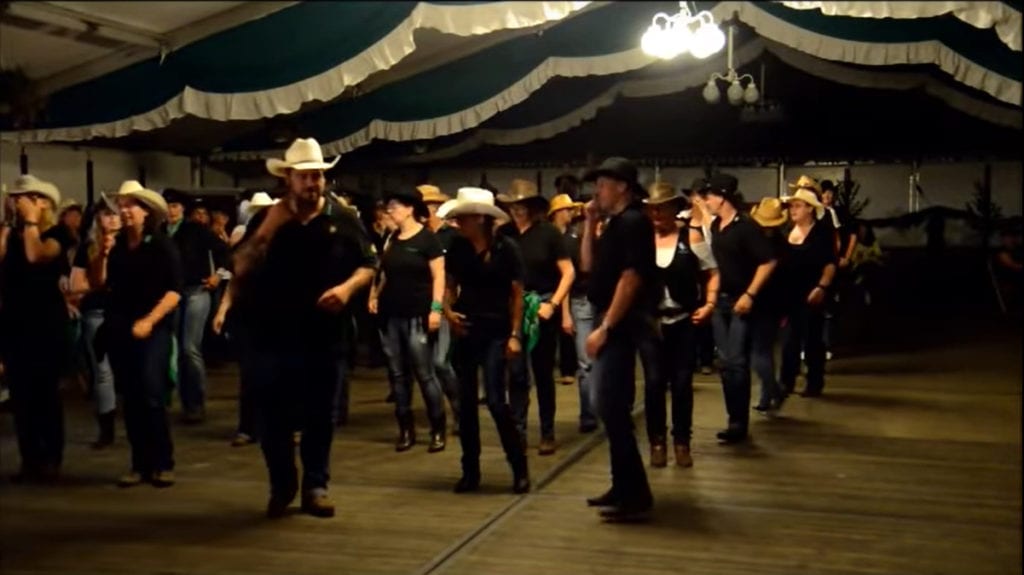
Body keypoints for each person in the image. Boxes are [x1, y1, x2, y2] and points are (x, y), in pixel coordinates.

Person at [233, 138, 377, 519]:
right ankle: (282, 484)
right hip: (272, 333)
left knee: (320, 414)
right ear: (288, 179)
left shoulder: (342, 218)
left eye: (317, 176)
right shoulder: (267, 219)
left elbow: (368, 264)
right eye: (305, 176)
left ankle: (316, 486)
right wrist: (268, 228)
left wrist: (347, 289)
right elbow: (240, 267)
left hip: (324, 333)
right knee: (273, 416)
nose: (313, 183)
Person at [90, 181, 182, 488]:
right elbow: (99, 283)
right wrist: (102, 254)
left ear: (146, 212)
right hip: (121, 327)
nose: (125, 210)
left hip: (152, 327)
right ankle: (139, 463)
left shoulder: (161, 245)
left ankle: (163, 462)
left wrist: (149, 321)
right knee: (131, 397)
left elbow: (174, 292)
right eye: (123, 205)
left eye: (131, 205)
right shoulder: (117, 246)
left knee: (151, 392)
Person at [579, 157, 657, 521]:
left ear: (622, 186)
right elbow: (587, 267)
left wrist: (606, 327)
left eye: (603, 184)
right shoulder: (614, 224)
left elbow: (631, 278)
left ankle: (635, 494)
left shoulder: (633, 222)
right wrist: (590, 223)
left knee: (609, 404)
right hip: (608, 317)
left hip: (621, 323)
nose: (597, 191)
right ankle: (623, 486)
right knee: (610, 406)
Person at [439, 187, 530, 494]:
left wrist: (515, 334)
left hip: (496, 328)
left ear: (479, 218)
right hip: (467, 327)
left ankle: (519, 466)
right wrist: (447, 311)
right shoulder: (458, 247)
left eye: (463, 217)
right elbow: (449, 285)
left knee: (495, 400)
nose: (458, 223)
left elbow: (517, 295)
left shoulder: (506, 248)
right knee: (466, 404)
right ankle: (470, 471)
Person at [638, 182, 718, 469]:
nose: (657, 214)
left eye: (662, 208)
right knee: (654, 383)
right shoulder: (641, 241)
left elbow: (712, 272)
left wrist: (709, 304)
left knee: (682, 383)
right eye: (652, 209)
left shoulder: (691, 236)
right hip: (651, 323)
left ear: (674, 208)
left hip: (684, 320)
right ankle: (657, 442)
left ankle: (682, 441)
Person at [0, 175, 72, 483]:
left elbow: (37, 255)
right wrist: (7, 225)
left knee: (46, 395)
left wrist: (30, 222)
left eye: (27, 197)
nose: (19, 202)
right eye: (16, 198)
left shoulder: (57, 234)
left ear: (44, 203)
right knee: (21, 397)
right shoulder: (11, 234)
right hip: (14, 325)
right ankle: (30, 459)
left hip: (46, 326)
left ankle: (50, 458)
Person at [496, 179, 575, 456]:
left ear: (532, 206)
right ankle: (518, 431)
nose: (517, 209)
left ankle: (547, 431)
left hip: (541, 307)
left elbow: (568, 272)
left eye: (522, 205)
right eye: (513, 205)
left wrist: (553, 304)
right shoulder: (503, 234)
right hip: (512, 309)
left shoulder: (548, 233)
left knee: (543, 373)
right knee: (516, 374)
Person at [370, 187, 448, 453]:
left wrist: (436, 309)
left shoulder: (427, 240)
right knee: (398, 375)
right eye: (389, 206)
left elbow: (439, 276)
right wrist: (375, 295)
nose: (390, 210)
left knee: (425, 374)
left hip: (418, 314)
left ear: (409, 208)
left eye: (394, 206)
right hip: (392, 315)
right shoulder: (391, 238)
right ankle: (405, 429)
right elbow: (384, 272)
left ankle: (437, 428)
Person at [703, 173, 777, 444]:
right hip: (720, 301)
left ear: (723, 197)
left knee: (736, 361)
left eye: (710, 196)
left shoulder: (745, 227)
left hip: (739, 301)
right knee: (726, 363)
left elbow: (768, 261)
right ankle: (733, 417)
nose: (707, 201)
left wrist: (750, 294)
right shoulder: (716, 226)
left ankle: (738, 423)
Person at [164, 191, 229, 424]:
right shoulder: (160, 231)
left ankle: (196, 403)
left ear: (183, 209)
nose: (171, 210)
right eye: (168, 206)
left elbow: (224, 252)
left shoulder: (195, 230)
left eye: (175, 206)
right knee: (178, 349)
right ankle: (186, 402)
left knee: (189, 348)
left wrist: (218, 276)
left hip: (196, 291)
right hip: (171, 294)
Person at [70, 195, 122, 448]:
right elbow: (75, 285)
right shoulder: (88, 247)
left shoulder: (132, 244)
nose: (111, 219)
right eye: (105, 214)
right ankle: (106, 429)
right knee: (103, 372)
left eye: (115, 213)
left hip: (125, 312)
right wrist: (98, 283)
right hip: (97, 312)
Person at [778, 183, 837, 398]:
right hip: (788, 294)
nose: (793, 210)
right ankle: (786, 381)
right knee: (789, 341)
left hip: (811, 292)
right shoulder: (786, 231)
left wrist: (822, 286)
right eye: (791, 206)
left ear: (810, 208)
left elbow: (830, 263)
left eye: (798, 206)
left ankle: (814, 381)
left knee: (812, 339)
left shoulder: (821, 233)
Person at [549, 193, 598, 433]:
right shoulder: (568, 241)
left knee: (608, 361)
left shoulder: (604, 237)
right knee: (586, 362)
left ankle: (609, 409)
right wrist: (566, 313)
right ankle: (588, 414)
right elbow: (567, 278)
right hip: (582, 301)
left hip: (603, 301)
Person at [418, 184, 461, 433]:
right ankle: (440, 415)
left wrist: (452, 301)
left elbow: (458, 272)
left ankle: (458, 408)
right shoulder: (417, 236)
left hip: (446, 306)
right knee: (428, 366)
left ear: (435, 207)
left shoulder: (451, 237)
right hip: (421, 305)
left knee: (442, 362)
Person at [748, 196, 789, 415]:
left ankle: (774, 391)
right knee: (764, 351)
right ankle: (766, 396)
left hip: (764, 302)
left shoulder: (765, 246)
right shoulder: (781, 245)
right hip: (771, 303)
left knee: (759, 353)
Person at [818, 180, 857, 360]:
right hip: (818, 264)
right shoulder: (815, 212)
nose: (827, 196)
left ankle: (828, 344)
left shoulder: (841, 213)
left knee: (830, 305)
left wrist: (846, 257)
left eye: (830, 193)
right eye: (824, 193)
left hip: (837, 263)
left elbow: (851, 235)